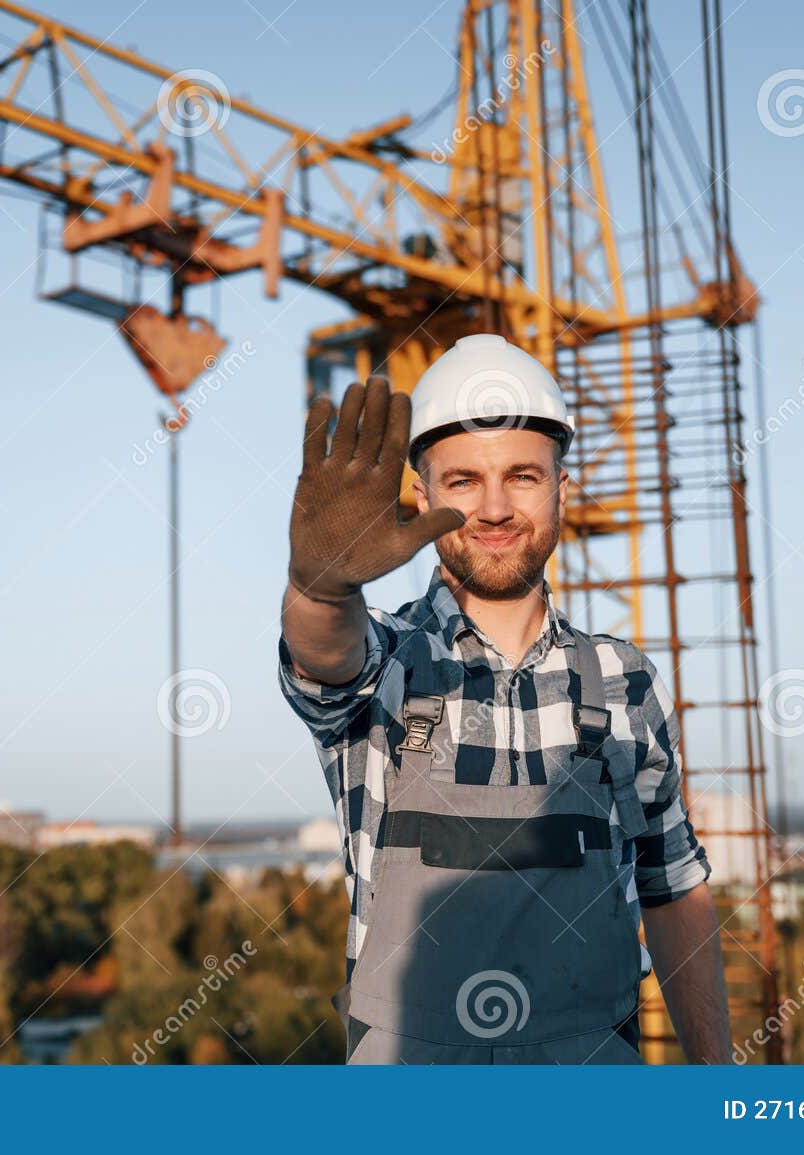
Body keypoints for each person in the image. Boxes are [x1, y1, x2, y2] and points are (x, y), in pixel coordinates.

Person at [279, 333, 731, 1065]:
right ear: (420, 496)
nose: (492, 508)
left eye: (521, 475)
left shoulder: (623, 681)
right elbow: (324, 654)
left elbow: (675, 887)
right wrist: (318, 588)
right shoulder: (390, 664)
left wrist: (718, 1086)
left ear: (561, 488)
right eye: (461, 482)